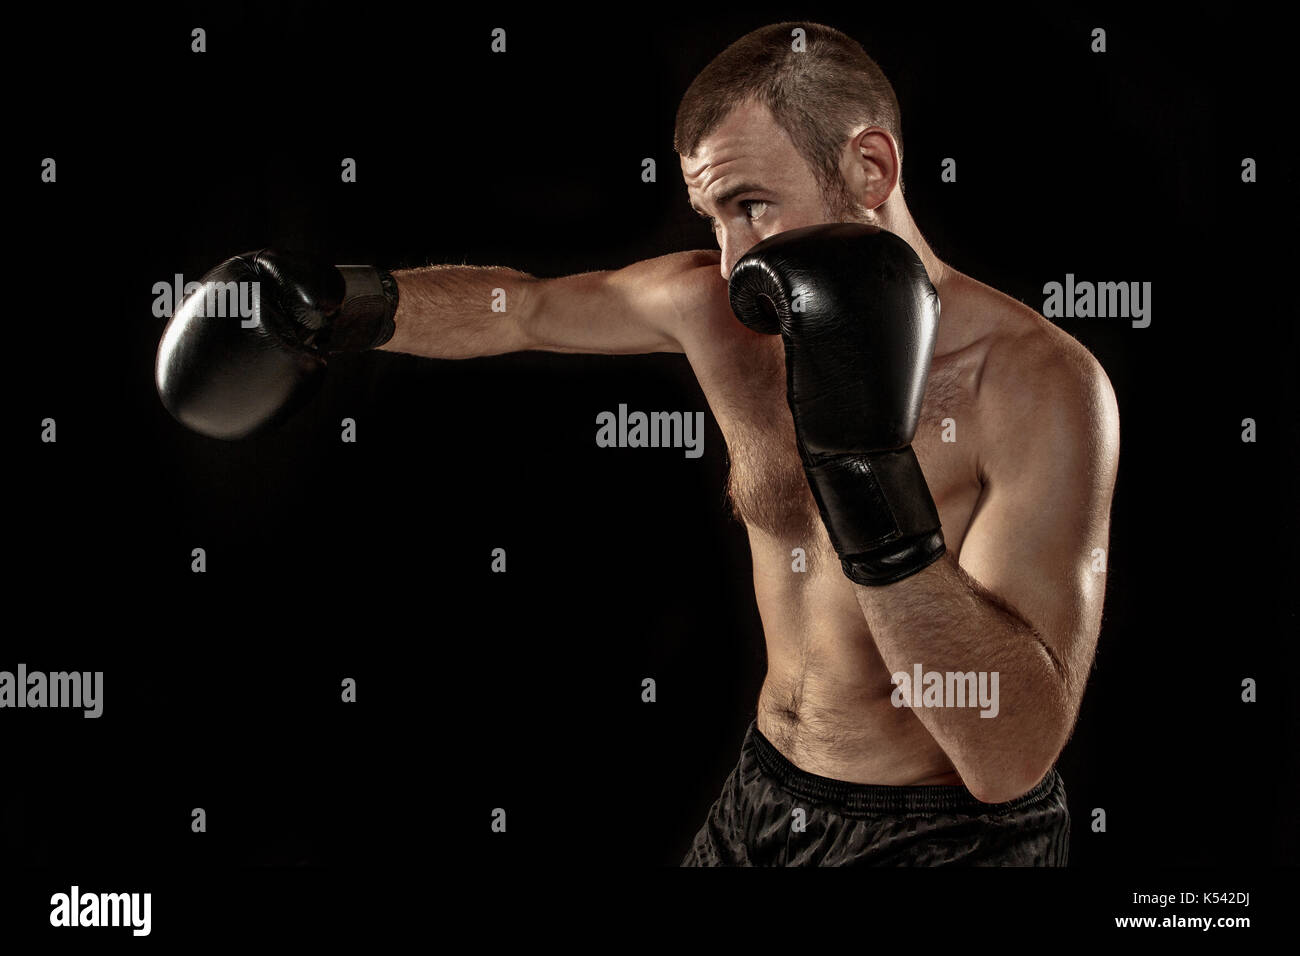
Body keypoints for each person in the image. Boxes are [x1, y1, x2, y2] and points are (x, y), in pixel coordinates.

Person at [156, 22, 1119, 866]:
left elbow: (1006, 757)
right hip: (767, 789)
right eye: (712, 216)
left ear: (871, 168)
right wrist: (340, 309)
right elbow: (521, 310)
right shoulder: (718, 306)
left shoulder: (1037, 384)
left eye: (752, 205)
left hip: (947, 838)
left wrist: (862, 469)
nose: (736, 259)